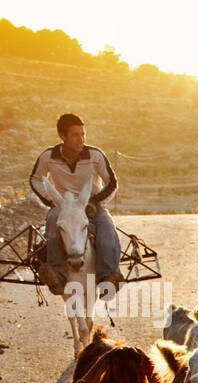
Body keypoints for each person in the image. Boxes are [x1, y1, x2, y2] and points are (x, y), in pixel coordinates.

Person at [29, 113, 123, 295]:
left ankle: (108, 275)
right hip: (64, 207)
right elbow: (35, 179)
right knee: (52, 223)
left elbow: (112, 182)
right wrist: (52, 202)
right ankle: (57, 274)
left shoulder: (95, 155)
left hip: (92, 205)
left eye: (83, 134)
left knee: (106, 227)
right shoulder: (48, 156)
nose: (81, 140)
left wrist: (95, 202)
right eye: (75, 135)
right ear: (62, 136)